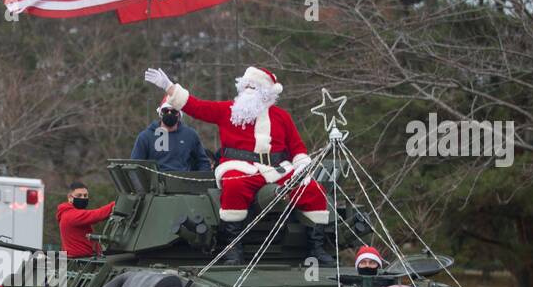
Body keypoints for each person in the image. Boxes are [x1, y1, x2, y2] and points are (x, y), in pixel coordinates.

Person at [144, 65, 334, 266]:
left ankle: (316, 248)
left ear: (268, 93)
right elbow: (196, 107)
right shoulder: (227, 111)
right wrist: (170, 88)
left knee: (313, 189)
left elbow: (297, 147)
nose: (250, 90)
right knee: (233, 187)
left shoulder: (282, 117)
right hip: (241, 167)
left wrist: (302, 167)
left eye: (256, 86)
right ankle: (233, 248)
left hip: (278, 169)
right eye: (247, 85)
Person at [131, 103, 212, 172]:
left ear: (179, 114)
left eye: (174, 111)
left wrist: (198, 184)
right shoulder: (145, 136)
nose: (169, 113)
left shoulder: (190, 135)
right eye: (165, 111)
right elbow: (135, 165)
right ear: (160, 113)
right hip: (154, 186)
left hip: (184, 185)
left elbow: (203, 162)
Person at [57, 181, 115, 258]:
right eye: (79, 195)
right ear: (70, 197)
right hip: (79, 261)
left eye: (85, 195)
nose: (83, 198)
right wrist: (116, 204)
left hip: (78, 258)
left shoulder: (67, 213)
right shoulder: (70, 215)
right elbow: (96, 214)